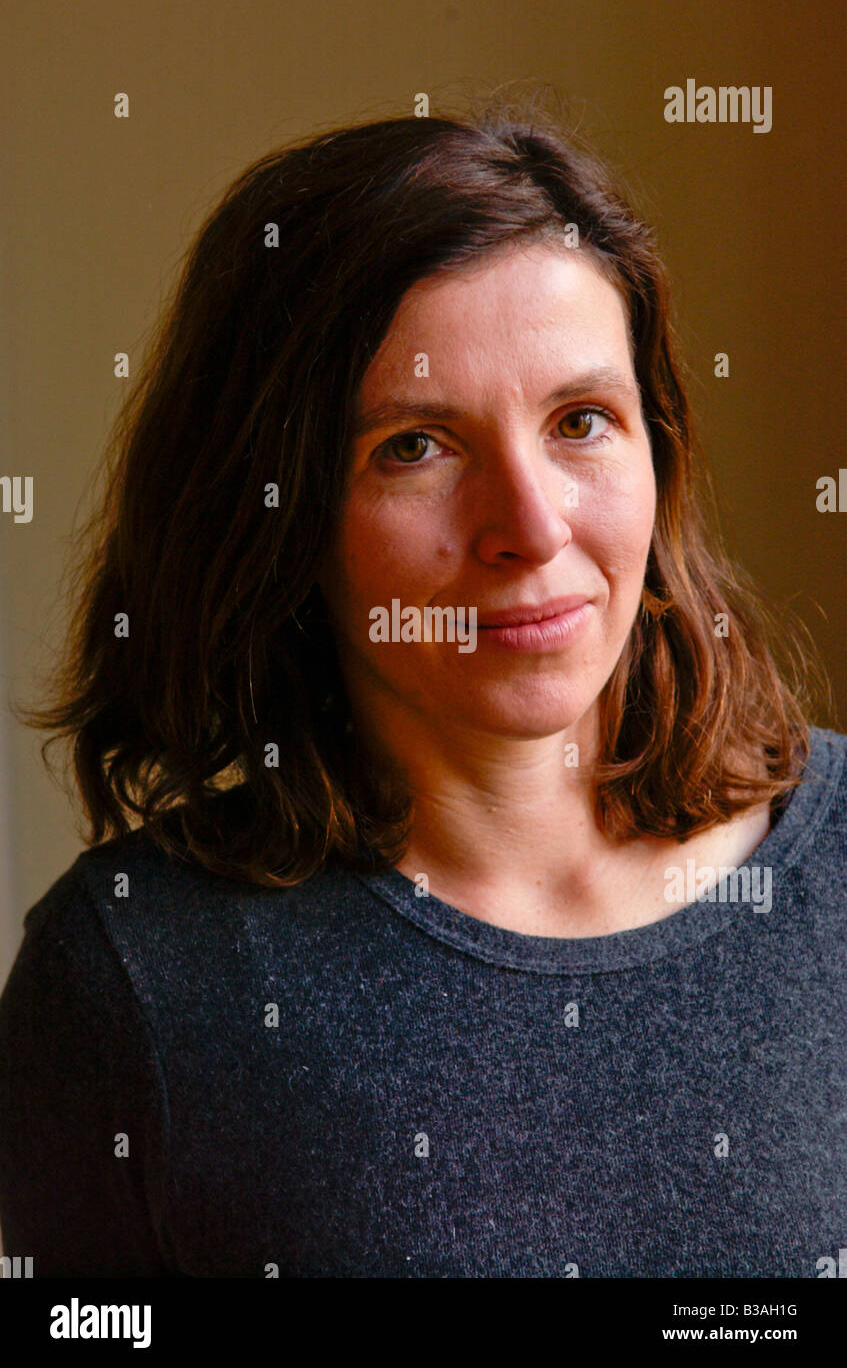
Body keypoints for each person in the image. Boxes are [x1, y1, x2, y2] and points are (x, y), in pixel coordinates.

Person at [0, 106, 844, 1279]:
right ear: (276, 514)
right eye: (415, 446)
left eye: (581, 421)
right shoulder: (133, 975)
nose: (531, 524)